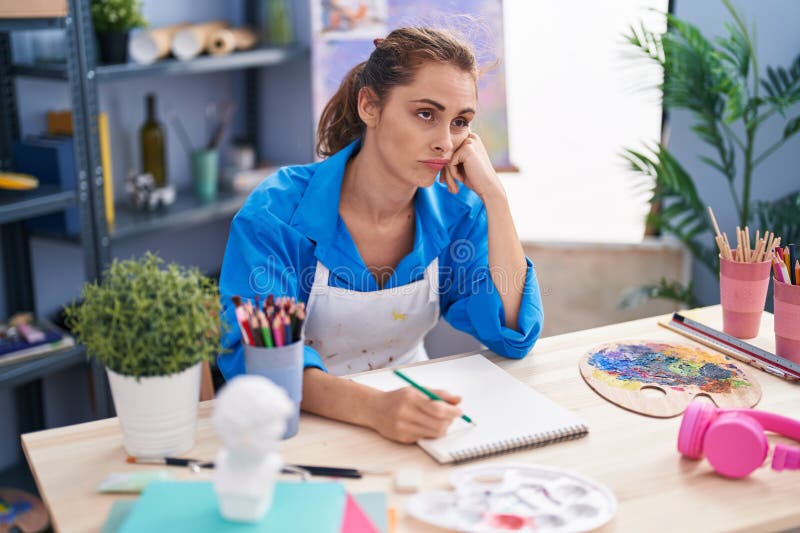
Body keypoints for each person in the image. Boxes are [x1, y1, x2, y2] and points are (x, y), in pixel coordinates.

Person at [219, 27, 544, 444]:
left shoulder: (459, 209)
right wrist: (374, 408)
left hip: (412, 417)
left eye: (460, 122)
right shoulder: (276, 212)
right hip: (301, 426)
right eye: (426, 114)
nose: (446, 143)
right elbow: (260, 356)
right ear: (370, 106)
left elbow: (511, 332)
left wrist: (495, 197)